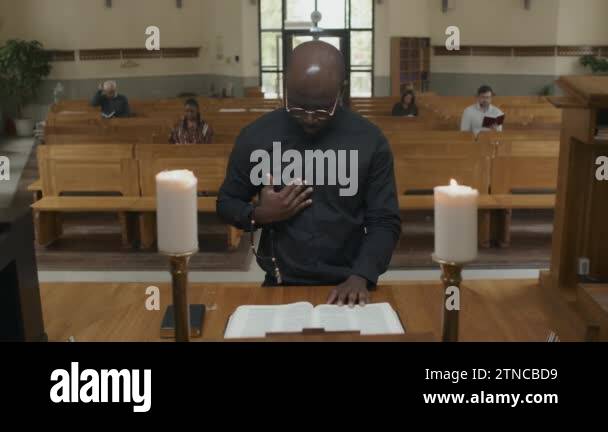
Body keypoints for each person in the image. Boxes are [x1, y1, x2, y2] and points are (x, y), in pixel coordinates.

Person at [217, 41, 401, 306]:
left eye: (322, 109)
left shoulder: (369, 141)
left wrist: (363, 274)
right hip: (280, 283)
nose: (310, 118)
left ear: (341, 91)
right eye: (299, 107)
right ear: (285, 88)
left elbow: (384, 220)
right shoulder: (257, 137)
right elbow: (226, 203)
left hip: (351, 283)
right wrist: (259, 215)